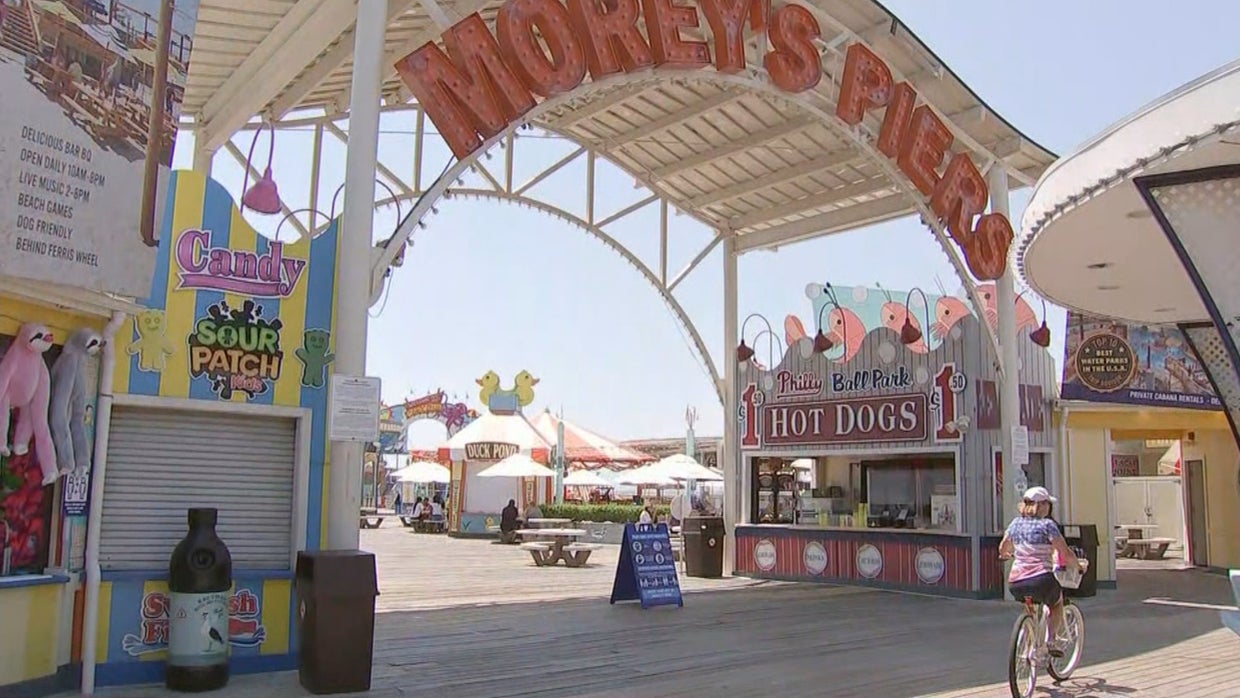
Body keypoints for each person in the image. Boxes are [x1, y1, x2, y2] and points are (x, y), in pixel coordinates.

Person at [999, 486, 1081, 657]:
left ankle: (1029, 646)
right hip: (1041, 579)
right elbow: (1064, 552)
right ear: (1042, 505)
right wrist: (1078, 566)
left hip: (1016, 582)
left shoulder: (1015, 524)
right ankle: (1051, 641)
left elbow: (1003, 547)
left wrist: (1006, 554)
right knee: (1056, 603)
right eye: (1048, 504)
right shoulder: (1047, 525)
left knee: (1030, 608)